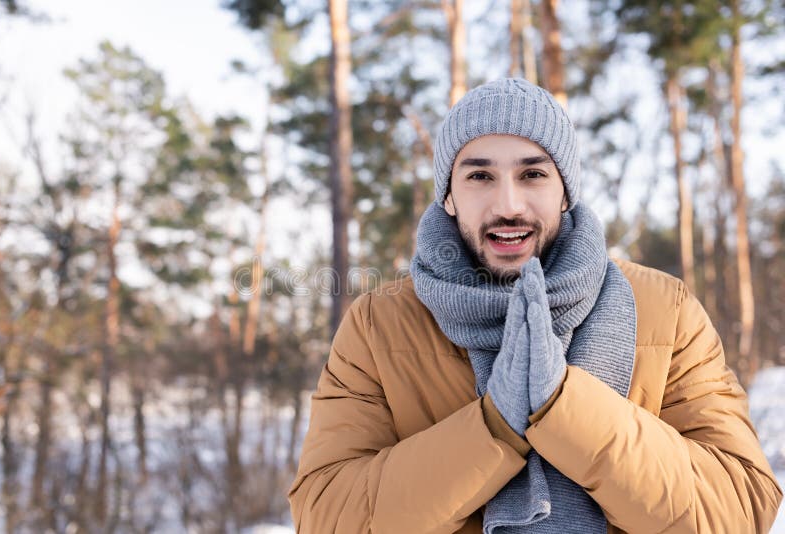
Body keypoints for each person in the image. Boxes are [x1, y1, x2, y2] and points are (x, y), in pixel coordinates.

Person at [287, 78, 783, 533]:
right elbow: (325, 513)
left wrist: (566, 408)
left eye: (532, 174)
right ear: (449, 197)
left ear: (564, 190)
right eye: (479, 177)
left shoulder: (665, 309)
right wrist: (492, 428)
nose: (509, 205)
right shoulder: (381, 325)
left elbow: (741, 506)